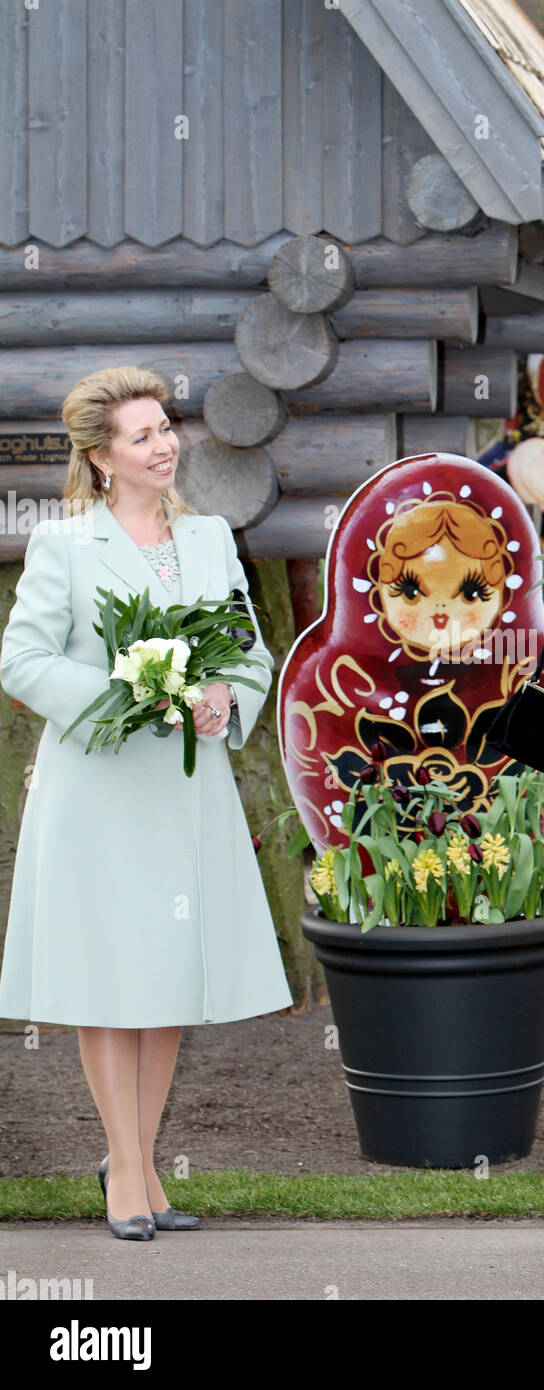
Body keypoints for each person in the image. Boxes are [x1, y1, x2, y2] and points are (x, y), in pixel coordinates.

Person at [0, 367, 293, 1240]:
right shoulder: (64, 546)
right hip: (97, 786)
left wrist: (222, 700)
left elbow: (248, 654)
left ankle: (143, 1159)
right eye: (141, 435)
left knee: (165, 978)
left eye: (166, 427)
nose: (164, 445)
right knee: (107, 980)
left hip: (181, 787)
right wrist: (129, 694)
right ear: (101, 459)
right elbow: (21, 661)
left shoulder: (208, 539)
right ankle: (125, 1170)